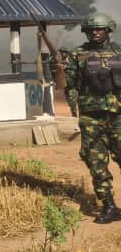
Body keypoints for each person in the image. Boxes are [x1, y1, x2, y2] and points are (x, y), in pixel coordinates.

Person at [64, 12, 121, 224]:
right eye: (91, 29)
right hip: (91, 118)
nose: (95, 32)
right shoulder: (77, 55)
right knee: (96, 162)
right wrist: (61, 71)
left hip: (119, 117)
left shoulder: (119, 52)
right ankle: (109, 206)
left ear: (108, 30)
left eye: (99, 29)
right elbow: (69, 85)